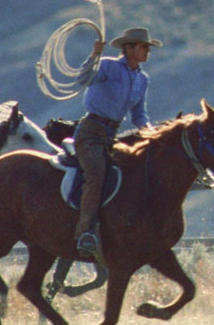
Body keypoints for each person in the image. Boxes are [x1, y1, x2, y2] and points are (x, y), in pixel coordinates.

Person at [73, 27, 160, 259]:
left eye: (148, 47)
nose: (148, 51)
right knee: (96, 176)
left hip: (111, 137)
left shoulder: (143, 79)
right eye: (144, 46)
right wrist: (93, 56)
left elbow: (139, 115)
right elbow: (83, 79)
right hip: (90, 133)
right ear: (129, 48)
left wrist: (152, 134)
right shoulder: (108, 65)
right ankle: (85, 232)